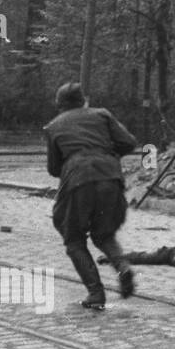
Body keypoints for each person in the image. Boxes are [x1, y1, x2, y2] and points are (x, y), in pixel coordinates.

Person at [43, 82, 139, 309]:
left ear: (59, 105)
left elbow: (54, 169)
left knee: (74, 238)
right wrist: (109, 154)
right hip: (111, 176)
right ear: (83, 100)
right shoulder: (102, 114)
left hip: (77, 180)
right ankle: (122, 267)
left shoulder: (53, 126)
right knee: (104, 234)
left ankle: (96, 294)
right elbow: (129, 142)